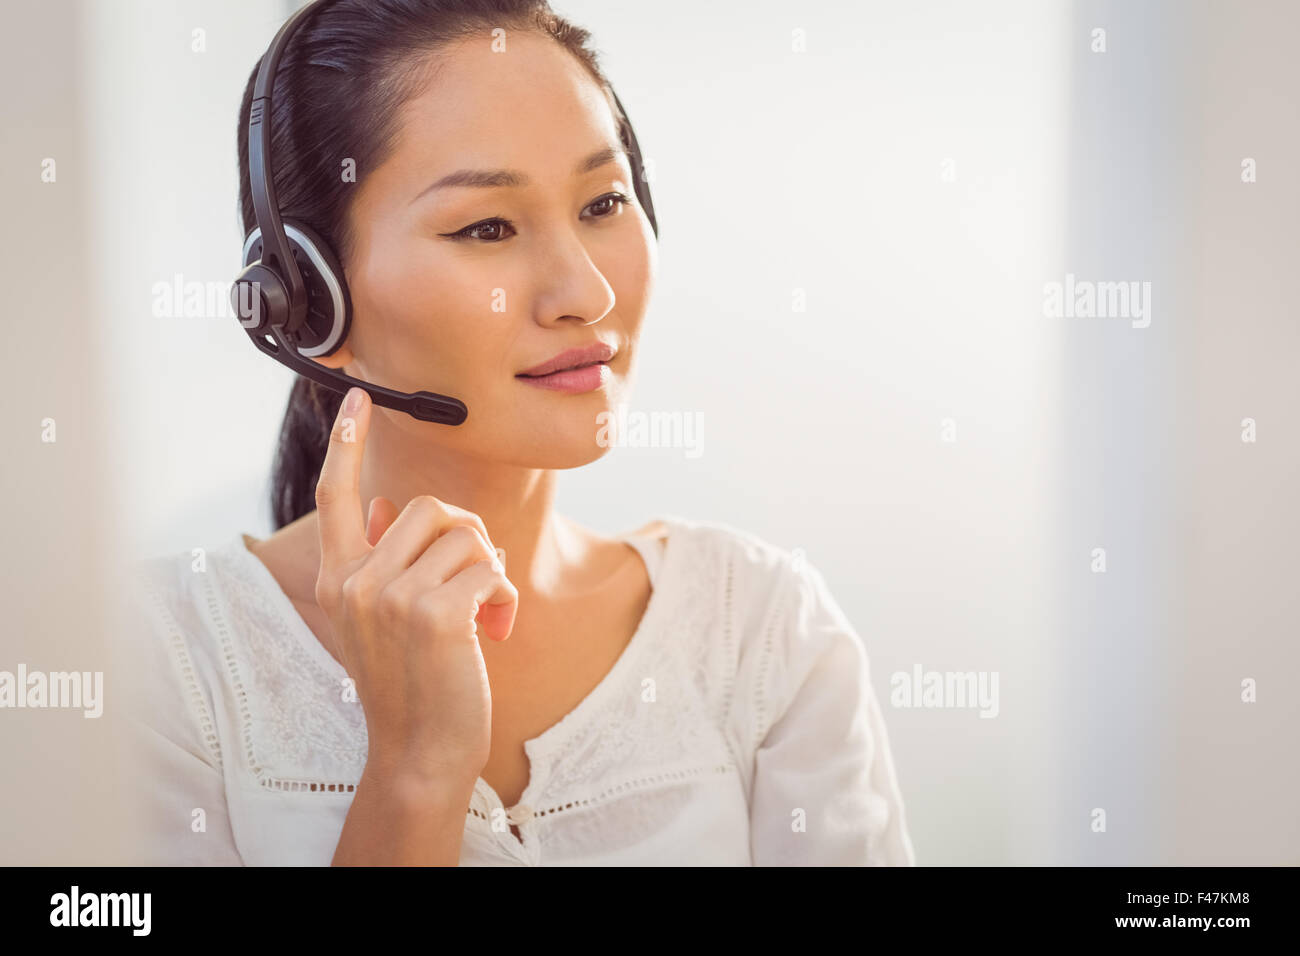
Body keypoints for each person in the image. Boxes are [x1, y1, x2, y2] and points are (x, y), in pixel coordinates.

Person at [122, 0, 915, 866]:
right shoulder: (154, 665)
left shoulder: (765, 633)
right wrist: (416, 772)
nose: (584, 293)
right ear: (307, 297)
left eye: (604, 202)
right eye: (488, 227)